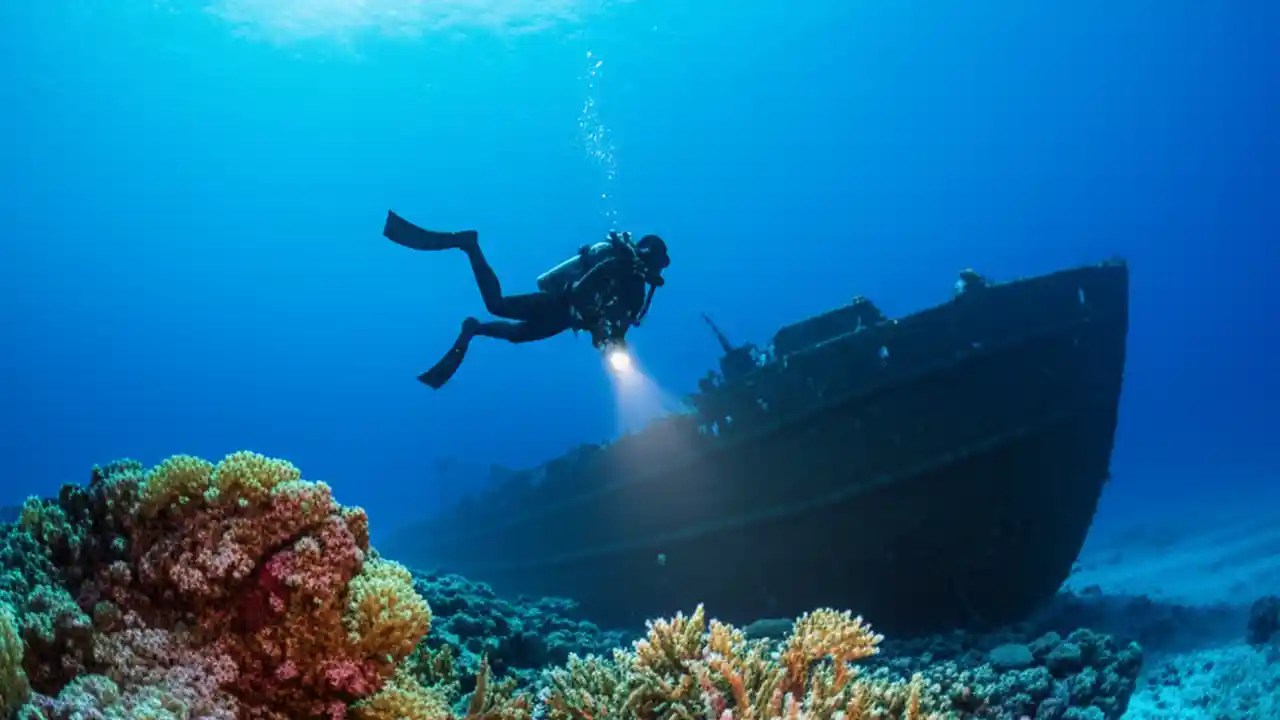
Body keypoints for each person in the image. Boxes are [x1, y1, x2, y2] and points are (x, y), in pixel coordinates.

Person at [382, 210, 670, 389]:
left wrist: (614, 343)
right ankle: (469, 245)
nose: (654, 271)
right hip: (559, 302)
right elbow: (584, 289)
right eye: (656, 264)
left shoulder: (636, 292)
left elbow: (621, 327)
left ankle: (476, 328)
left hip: (565, 318)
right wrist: (597, 321)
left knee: (517, 335)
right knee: (497, 305)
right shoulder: (617, 262)